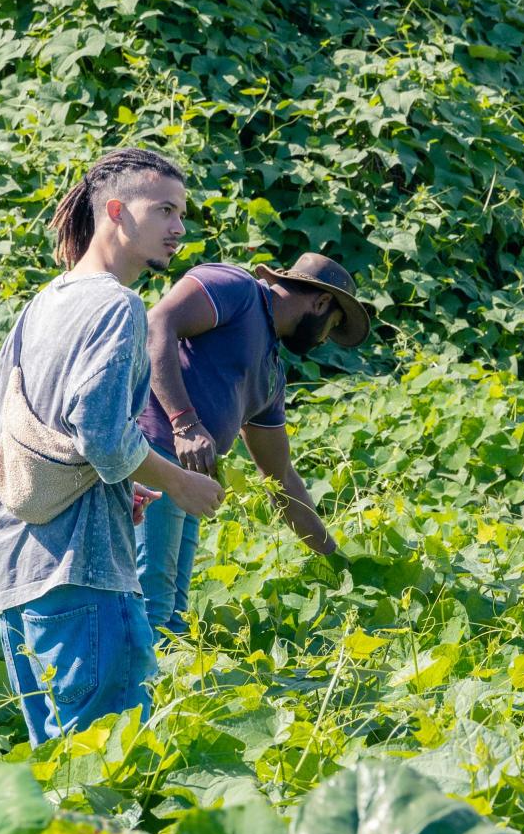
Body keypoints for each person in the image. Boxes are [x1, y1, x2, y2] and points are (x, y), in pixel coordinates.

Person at [0, 148, 224, 747]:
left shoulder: (45, 302)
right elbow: (106, 437)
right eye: (163, 210)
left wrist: (119, 483)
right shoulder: (118, 305)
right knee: (106, 774)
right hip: (82, 572)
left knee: (59, 772)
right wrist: (181, 484)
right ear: (116, 211)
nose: (178, 228)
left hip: (16, 570)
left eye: (182, 213)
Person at [137, 251, 370, 637]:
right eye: (333, 324)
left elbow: (279, 476)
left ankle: (159, 693)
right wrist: (185, 423)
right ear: (321, 302)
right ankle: (127, 696)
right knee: (151, 608)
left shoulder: (270, 373)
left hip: (191, 480)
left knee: (172, 617)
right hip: (151, 457)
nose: (327, 338)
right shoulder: (236, 288)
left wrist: (336, 560)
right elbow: (157, 324)